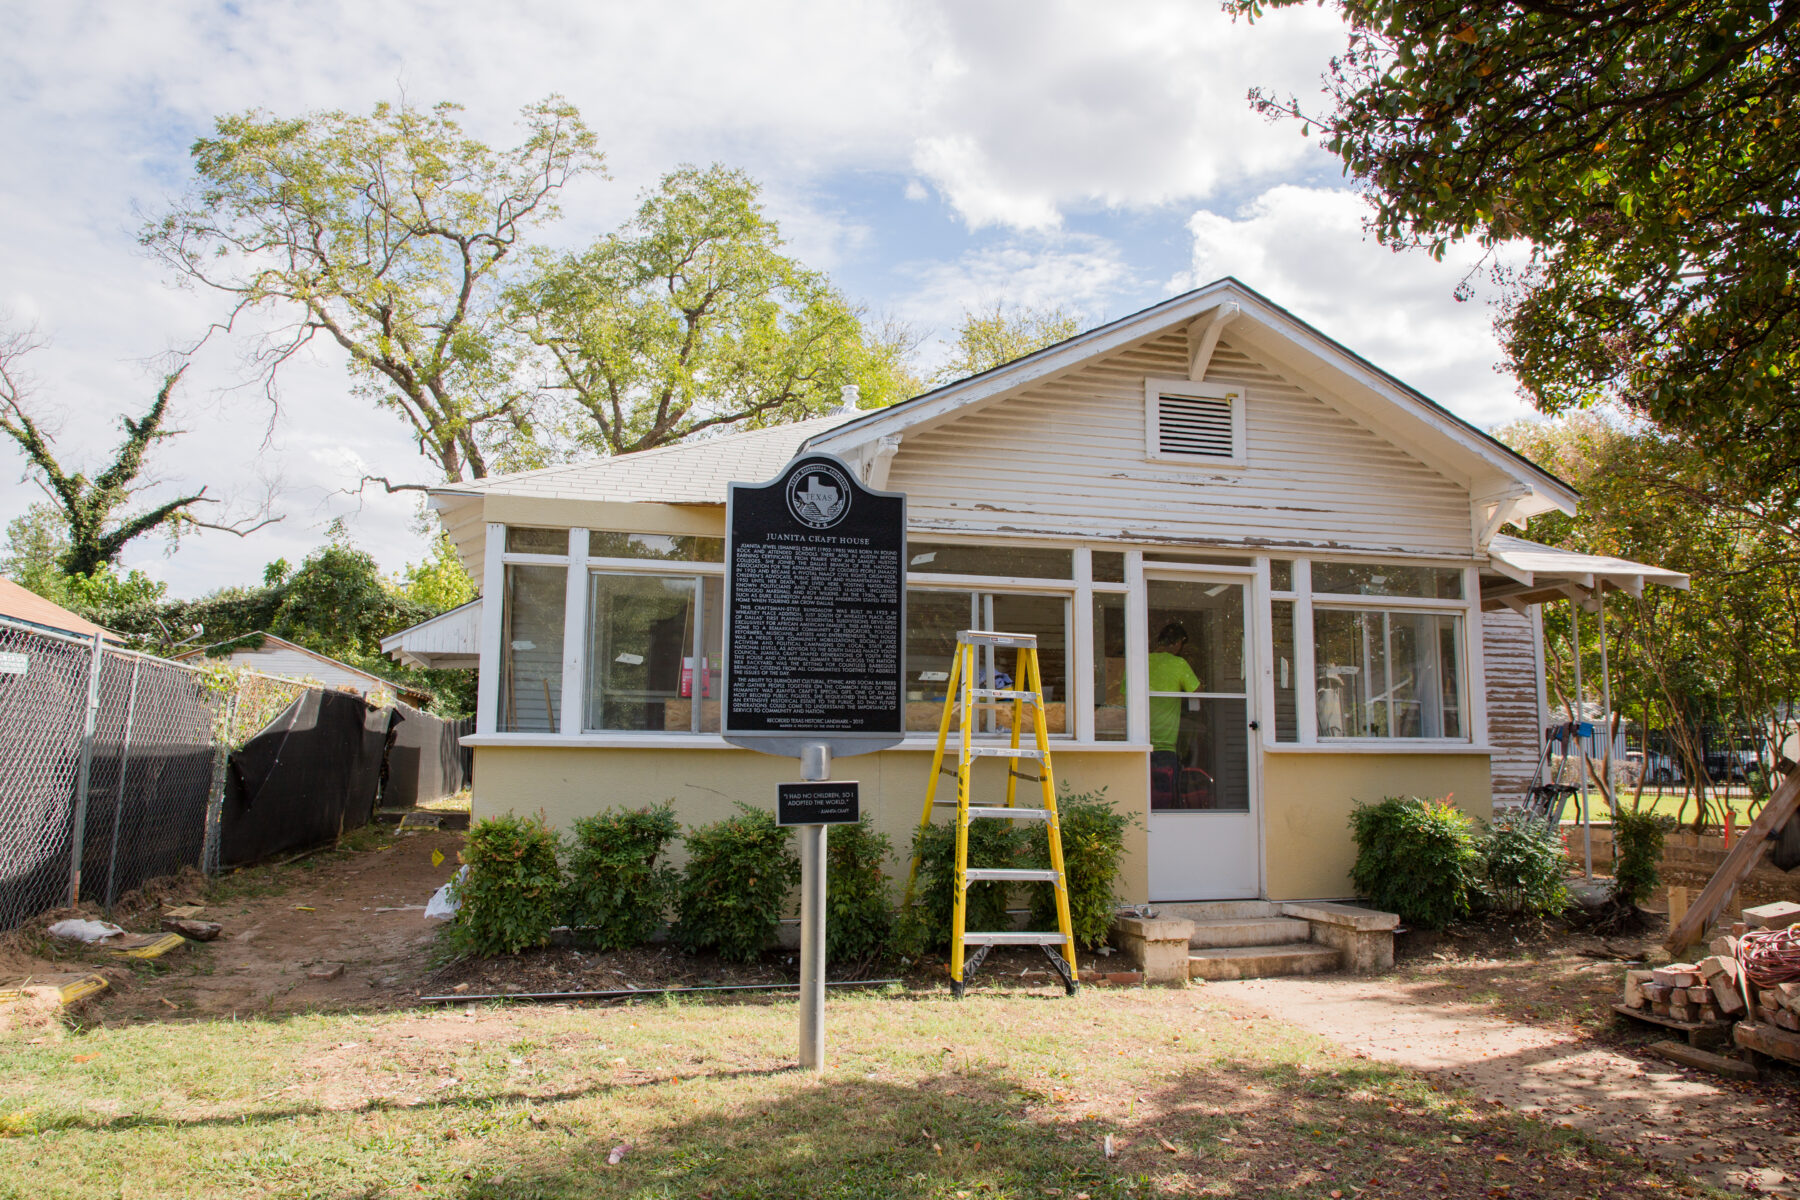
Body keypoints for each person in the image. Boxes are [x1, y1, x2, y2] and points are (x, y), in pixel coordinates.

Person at [1148, 621, 1201, 807]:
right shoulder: (1179, 664)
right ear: (1178, 643)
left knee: (1143, 802)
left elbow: (1121, 697)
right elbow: (1197, 693)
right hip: (1166, 746)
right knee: (1165, 804)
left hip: (1139, 742)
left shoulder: (1140, 663)